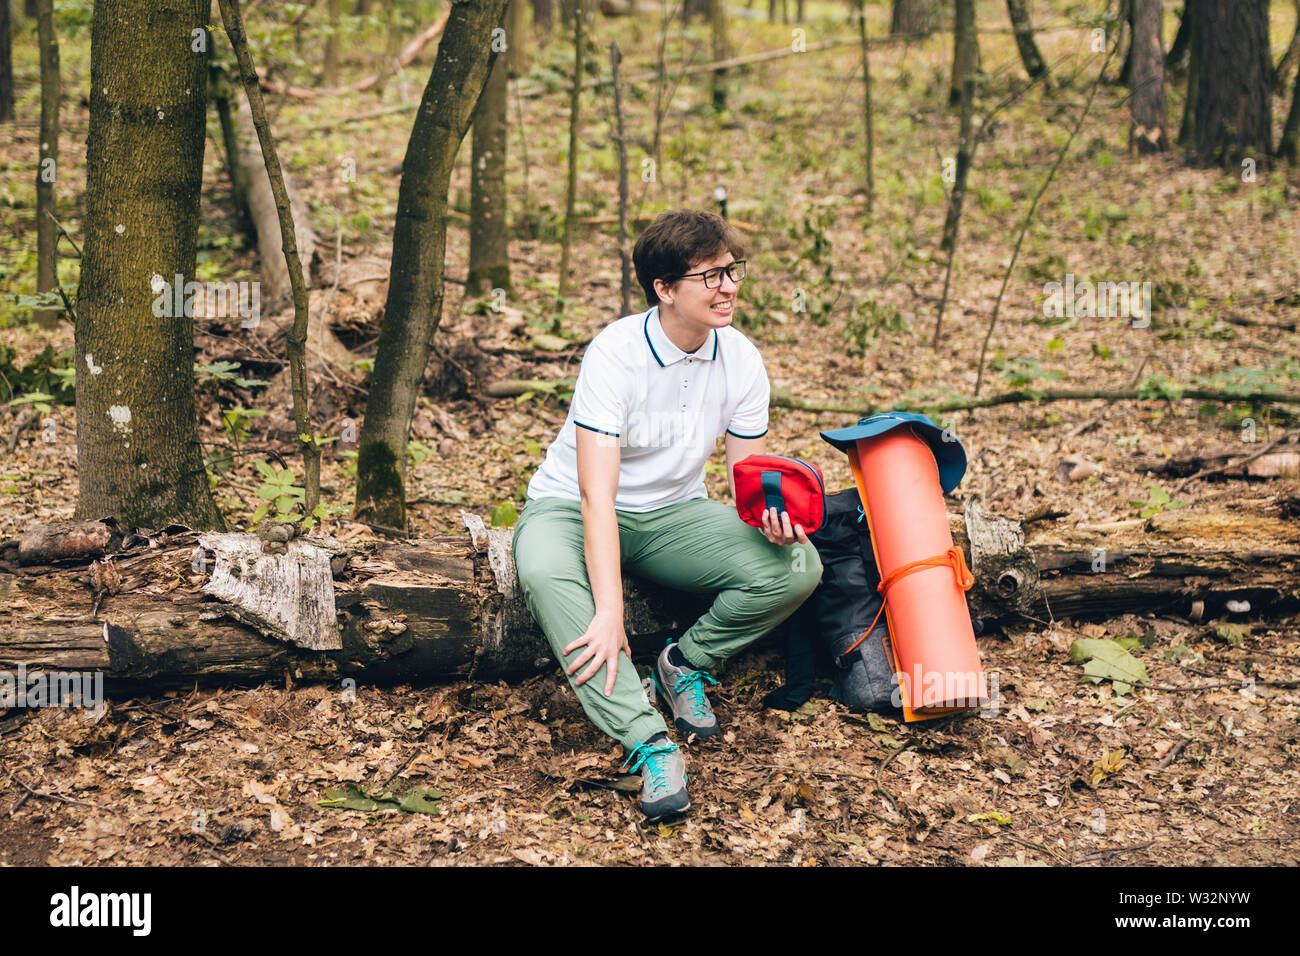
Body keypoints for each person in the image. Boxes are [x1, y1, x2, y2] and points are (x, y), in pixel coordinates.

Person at [511, 209, 822, 820]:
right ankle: (647, 739)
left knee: (797, 565)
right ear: (664, 289)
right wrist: (609, 609)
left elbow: (746, 483)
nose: (728, 287)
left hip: (673, 512)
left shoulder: (741, 358)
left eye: (731, 271)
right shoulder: (616, 354)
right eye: (708, 276)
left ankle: (685, 664)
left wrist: (771, 519)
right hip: (570, 507)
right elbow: (597, 495)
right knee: (546, 574)